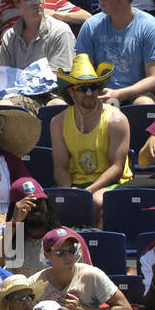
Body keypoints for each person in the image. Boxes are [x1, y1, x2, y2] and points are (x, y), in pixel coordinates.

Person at [50, 54, 132, 224]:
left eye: (93, 87)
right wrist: (69, 192)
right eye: (83, 88)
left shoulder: (116, 119)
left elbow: (117, 168)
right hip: (77, 183)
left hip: (112, 184)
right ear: (71, 91)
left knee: (97, 201)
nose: (89, 93)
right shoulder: (58, 122)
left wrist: (87, 192)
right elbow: (60, 167)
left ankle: (97, 245)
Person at [31, 226, 137, 310]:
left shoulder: (92, 275)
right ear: (47, 255)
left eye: (72, 250)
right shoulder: (34, 283)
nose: (68, 256)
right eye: (60, 252)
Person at [73, 0, 155, 104]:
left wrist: (121, 93)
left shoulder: (150, 26)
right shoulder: (91, 25)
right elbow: (81, 70)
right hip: (99, 95)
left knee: (144, 103)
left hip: (136, 94)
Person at [0, 0, 76, 76]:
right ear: (16, 2)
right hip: (15, 91)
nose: (36, 2)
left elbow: (59, 79)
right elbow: (6, 77)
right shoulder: (9, 37)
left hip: (51, 92)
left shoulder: (61, 32)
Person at [2, 177, 62, 275]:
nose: (35, 206)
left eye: (39, 201)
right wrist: (14, 222)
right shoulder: (10, 239)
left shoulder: (67, 240)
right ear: (15, 209)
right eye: (28, 203)